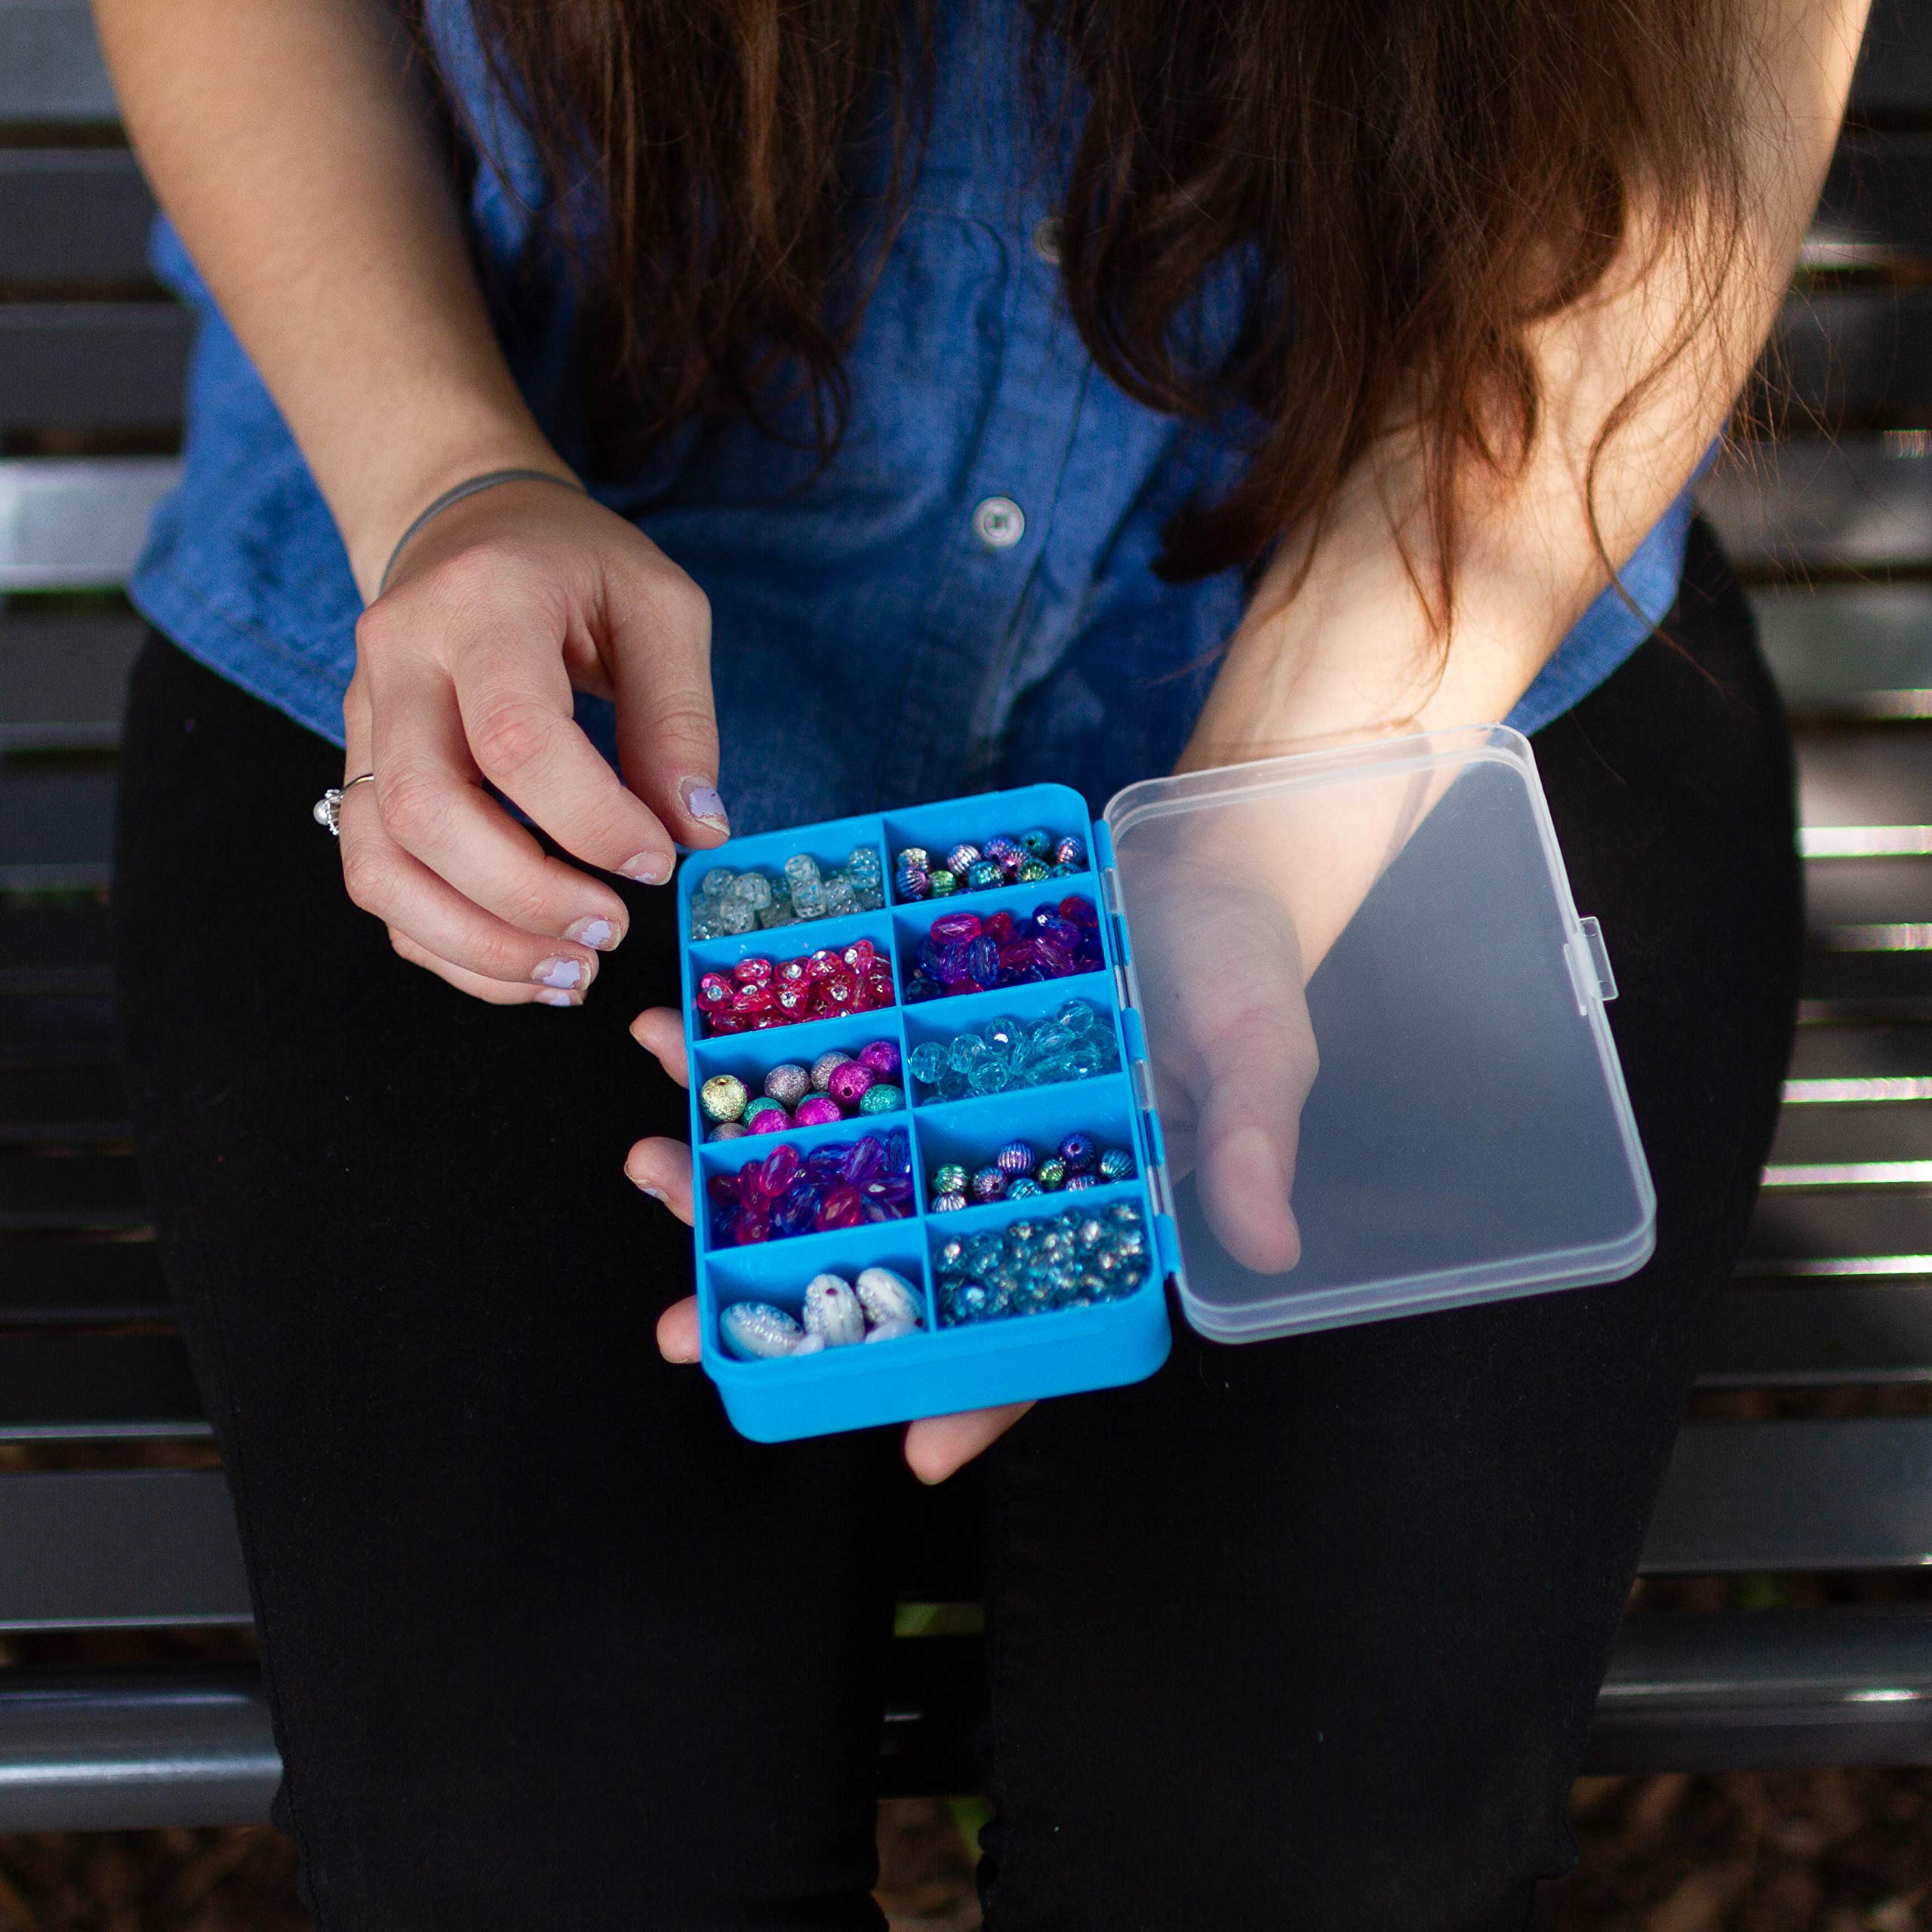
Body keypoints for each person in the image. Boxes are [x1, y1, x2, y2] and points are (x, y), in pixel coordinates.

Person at [96, 0, 1866, 1924]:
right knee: (542, 1864)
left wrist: (1267, 842)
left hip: (1417, 623)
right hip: (516, 603)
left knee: (1304, 1864)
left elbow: (1713, 97)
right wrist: (446, 481)